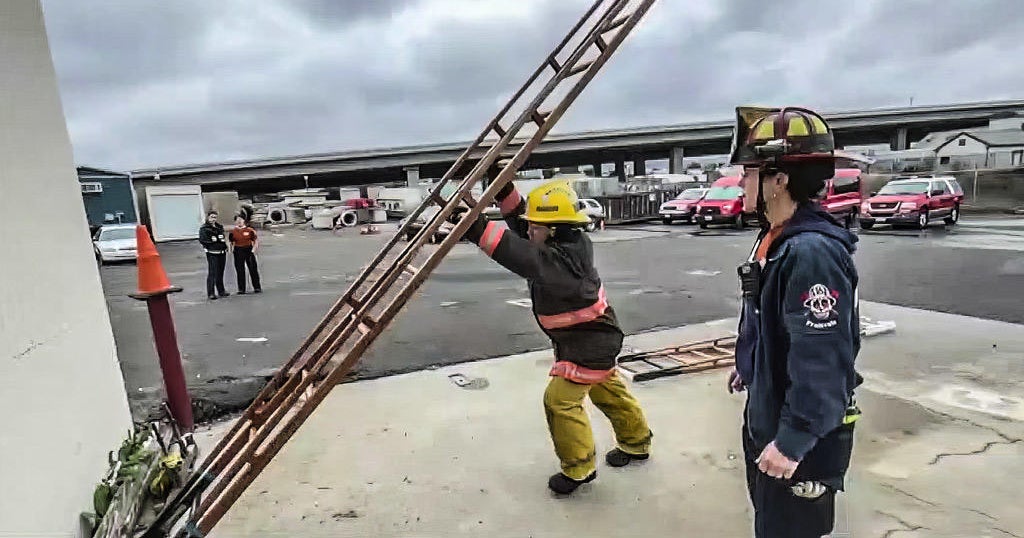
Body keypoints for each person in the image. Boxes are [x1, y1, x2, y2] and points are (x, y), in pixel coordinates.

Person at [450, 177, 653, 495]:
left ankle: (579, 468)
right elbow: (523, 228)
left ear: (555, 229)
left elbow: (516, 253)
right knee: (607, 392)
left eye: (536, 227)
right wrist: (505, 191)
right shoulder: (563, 243)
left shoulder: (559, 264)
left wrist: (475, 227)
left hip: (589, 345)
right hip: (589, 339)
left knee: (559, 402)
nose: (530, 231)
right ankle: (637, 442)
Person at [726, 106, 863, 537]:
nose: (742, 182)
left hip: (799, 439)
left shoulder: (810, 253)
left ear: (779, 179)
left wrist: (792, 441)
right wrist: (749, 364)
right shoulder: (776, 236)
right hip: (770, 416)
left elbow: (822, 357)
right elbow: (773, 325)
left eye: (749, 172)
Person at [198, 210, 229, 300]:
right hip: (212, 253)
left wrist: (224, 245)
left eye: (215, 217)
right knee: (213, 273)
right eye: (211, 217)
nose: (213, 219)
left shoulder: (219, 227)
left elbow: (223, 237)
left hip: (222, 252)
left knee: (220, 272)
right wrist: (212, 241)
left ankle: (221, 291)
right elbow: (202, 240)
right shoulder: (204, 228)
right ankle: (211, 293)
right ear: (208, 217)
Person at [229, 214, 262, 294]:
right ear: (235, 221)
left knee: (253, 269)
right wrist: (231, 250)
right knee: (240, 270)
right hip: (238, 250)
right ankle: (241, 289)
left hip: (248, 250)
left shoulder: (250, 230)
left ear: (244, 220)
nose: (239, 221)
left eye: (241, 219)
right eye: (237, 219)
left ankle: (257, 287)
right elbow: (231, 242)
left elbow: (255, 241)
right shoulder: (233, 232)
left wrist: (253, 250)